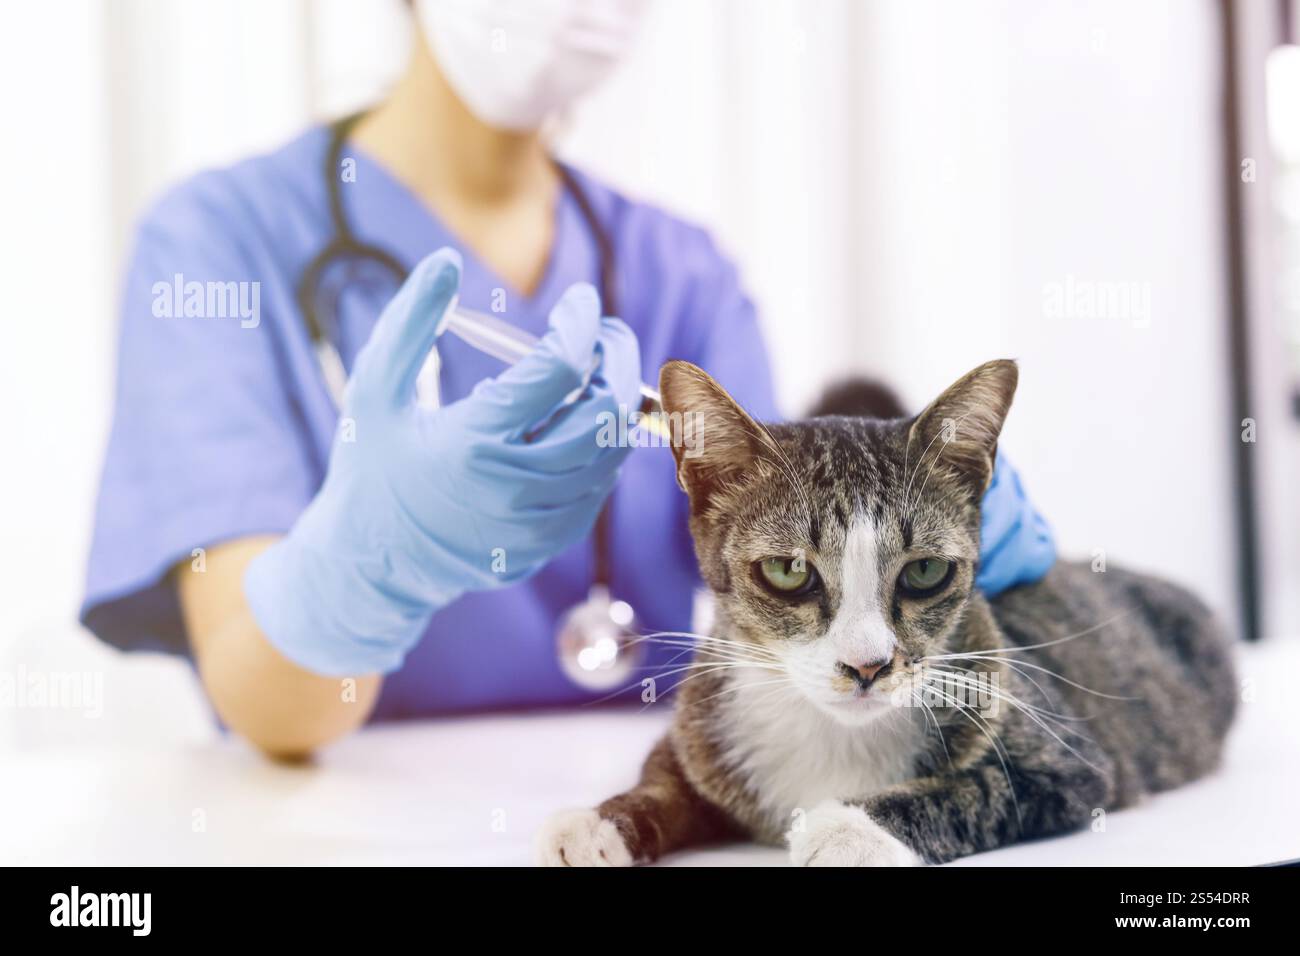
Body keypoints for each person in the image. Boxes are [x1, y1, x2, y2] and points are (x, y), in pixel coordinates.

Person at [81, 0, 1054, 758]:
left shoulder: (679, 269)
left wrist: (923, 533)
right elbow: (265, 704)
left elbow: (785, 585)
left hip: (640, 813)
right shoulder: (216, 243)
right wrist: (364, 567)